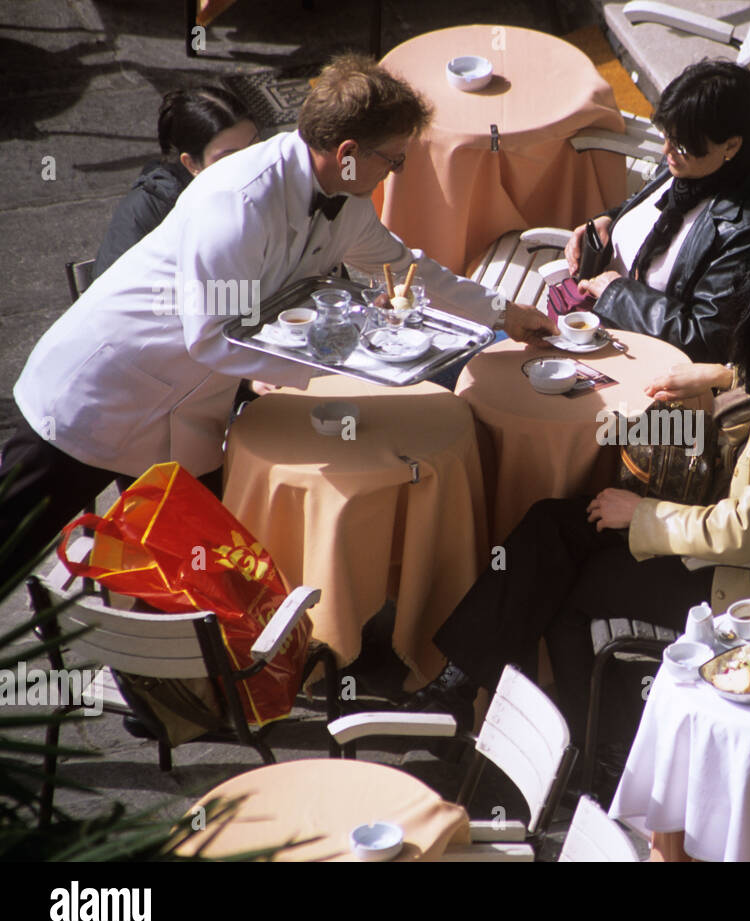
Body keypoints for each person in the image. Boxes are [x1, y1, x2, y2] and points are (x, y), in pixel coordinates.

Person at [0, 53, 553, 581]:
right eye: (395, 158)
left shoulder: (348, 202)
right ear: (349, 153)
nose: (398, 171)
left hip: (182, 418)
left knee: (204, 564)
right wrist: (343, 364)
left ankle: (181, 666)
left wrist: (506, 312)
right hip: (91, 398)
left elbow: (408, 270)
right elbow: (212, 339)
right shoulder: (237, 204)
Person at [406, 244, 750, 735]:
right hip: (711, 535)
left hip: (737, 579)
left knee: (563, 584)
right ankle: (459, 687)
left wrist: (641, 514)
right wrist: (720, 374)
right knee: (550, 524)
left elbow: (740, 532)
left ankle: (587, 746)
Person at [562, 60, 750, 363]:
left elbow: (705, 339)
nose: (666, 151)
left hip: (638, 358)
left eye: (682, 145)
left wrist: (617, 293)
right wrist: (608, 221)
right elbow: (648, 210)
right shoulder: (692, 168)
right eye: (667, 136)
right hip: (599, 320)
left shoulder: (745, 230)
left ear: (730, 145)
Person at [92, 85, 259, 281]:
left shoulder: (270, 180)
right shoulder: (149, 210)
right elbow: (115, 295)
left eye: (256, 148)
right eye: (229, 158)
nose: (250, 164)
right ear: (191, 164)